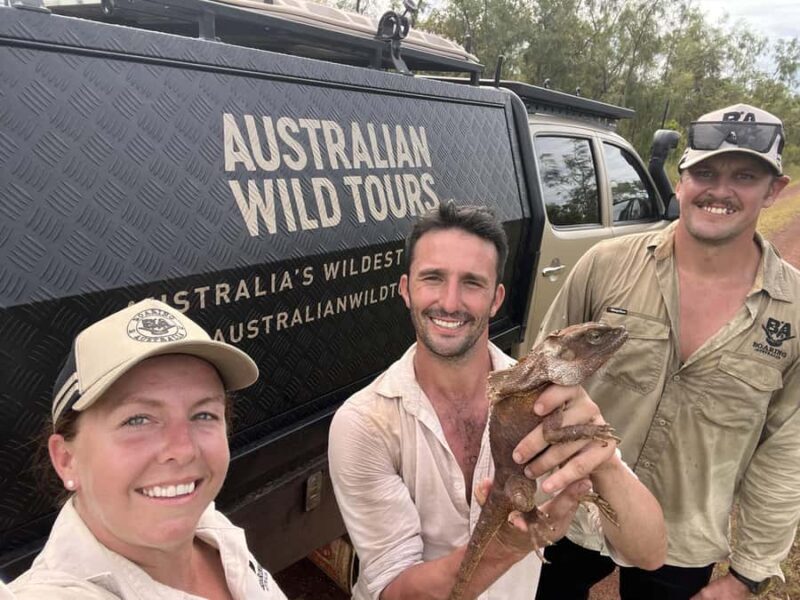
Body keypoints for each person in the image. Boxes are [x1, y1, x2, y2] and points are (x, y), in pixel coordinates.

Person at [329, 201, 666, 600]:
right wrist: (510, 545)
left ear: (496, 298)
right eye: (432, 278)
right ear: (406, 289)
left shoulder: (549, 398)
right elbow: (397, 593)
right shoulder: (364, 422)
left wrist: (604, 459)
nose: (450, 302)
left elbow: (650, 553)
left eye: (472, 283)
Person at [534, 103, 797, 600]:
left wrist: (747, 575)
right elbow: (539, 379)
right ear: (681, 181)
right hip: (572, 508)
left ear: (773, 191)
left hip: (683, 539)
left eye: (744, 175)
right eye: (705, 172)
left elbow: (786, 454)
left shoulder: (794, 315)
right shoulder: (604, 266)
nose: (720, 190)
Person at [10, 299, 287, 600]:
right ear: (66, 460)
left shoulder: (210, 525)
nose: (183, 450)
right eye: (137, 419)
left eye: (204, 414)